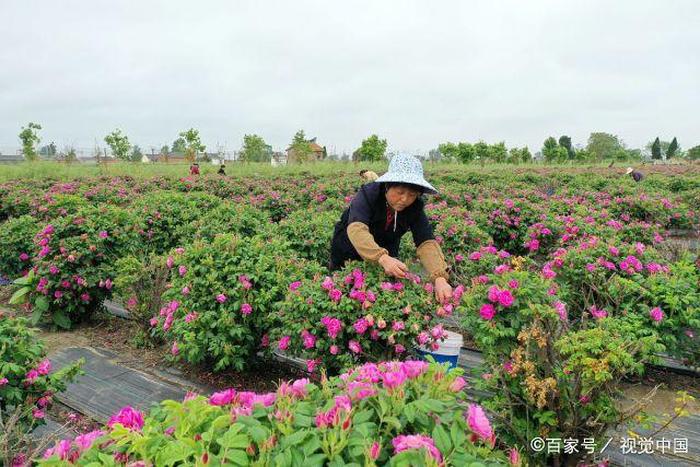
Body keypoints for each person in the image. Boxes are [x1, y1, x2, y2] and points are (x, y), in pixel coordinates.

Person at [330, 154, 453, 302]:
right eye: (400, 192)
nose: (405, 199)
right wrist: (381, 257)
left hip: (388, 250)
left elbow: (425, 241)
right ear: (387, 185)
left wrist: (439, 277)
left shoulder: (415, 206)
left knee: (383, 294)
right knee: (344, 293)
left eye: (412, 194)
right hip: (349, 249)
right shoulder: (368, 194)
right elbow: (357, 229)